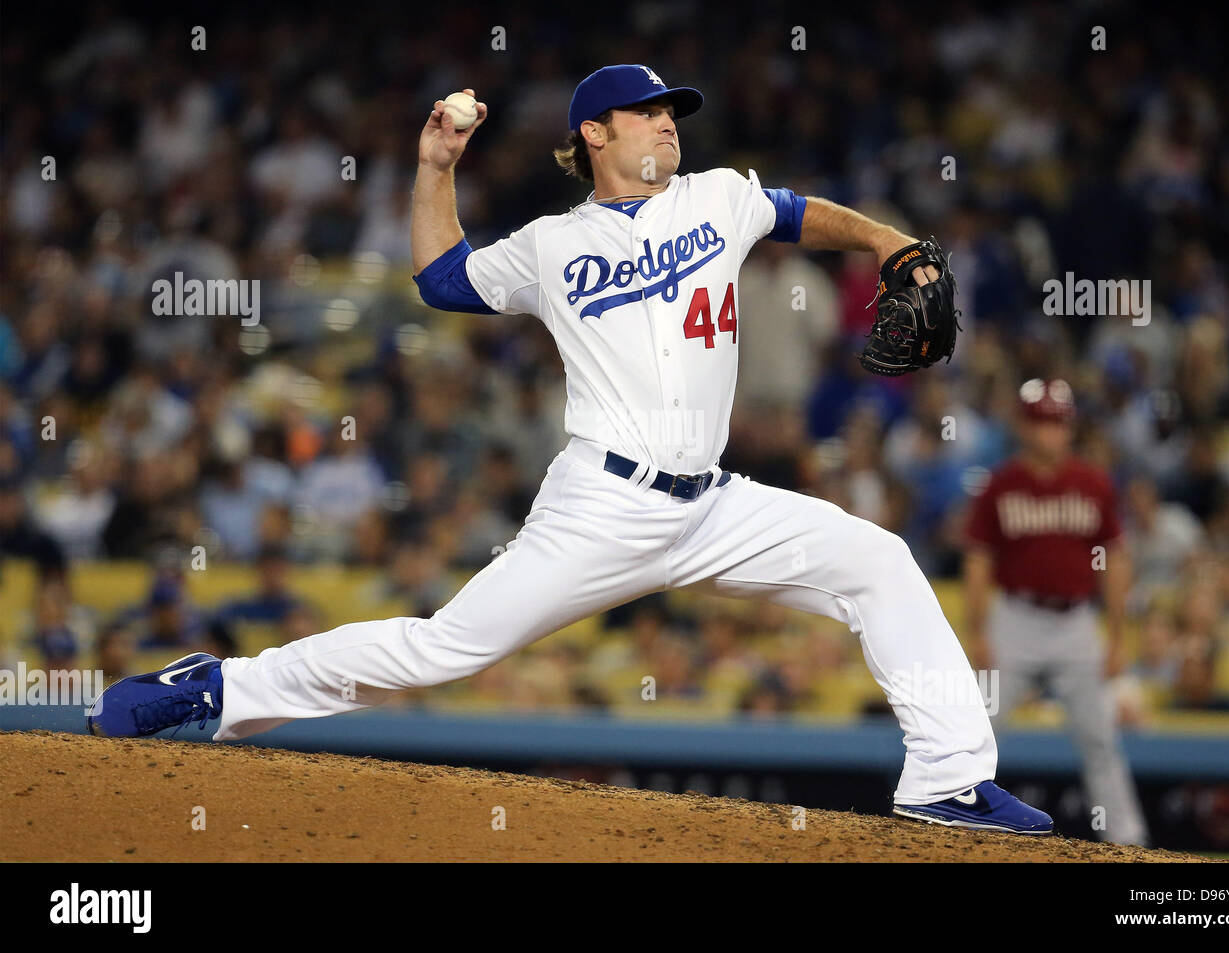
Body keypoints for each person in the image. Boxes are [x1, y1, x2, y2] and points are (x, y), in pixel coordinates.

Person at [89, 64, 1051, 835]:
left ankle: (948, 783)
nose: (669, 124)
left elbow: (804, 215)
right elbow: (439, 278)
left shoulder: (717, 198)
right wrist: (435, 167)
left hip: (715, 504)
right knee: (441, 647)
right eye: (647, 113)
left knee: (879, 560)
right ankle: (212, 689)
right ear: (596, 133)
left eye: (673, 113)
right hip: (602, 501)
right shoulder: (552, 243)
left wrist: (896, 248)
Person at [964, 378, 1148, 845]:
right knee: (978, 735)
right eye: (1042, 422)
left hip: (1076, 623)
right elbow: (978, 560)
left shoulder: (1093, 483)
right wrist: (977, 630)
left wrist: (1117, 635)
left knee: (1100, 740)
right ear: (1024, 425)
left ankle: (1128, 845)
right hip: (1015, 618)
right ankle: (958, 832)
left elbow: (1117, 559)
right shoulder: (1001, 485)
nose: (1051, 433)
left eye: (1058, 423)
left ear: (1070, 427)